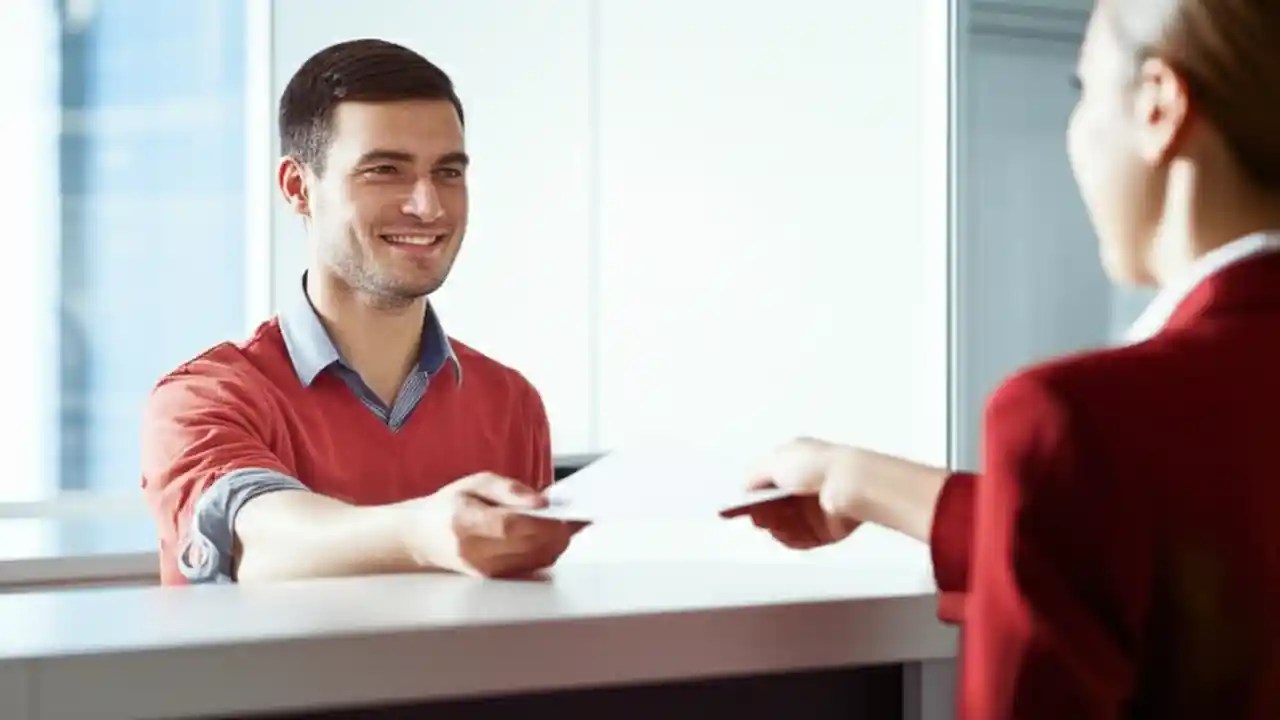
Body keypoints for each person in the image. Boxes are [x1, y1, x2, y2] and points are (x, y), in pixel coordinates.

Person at [731, 1, 1280, 717]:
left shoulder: (1074, 417)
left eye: (1082, 92)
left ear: (1157, 105)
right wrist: (856, 480)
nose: (1075, 134)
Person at [141, 39, 584, 585]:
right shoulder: (204, 399)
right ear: (297, 187)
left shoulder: (510, 404)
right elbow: (254, 540)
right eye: (384, 170)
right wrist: (422, 534)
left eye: (448, 172)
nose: (428, 206)